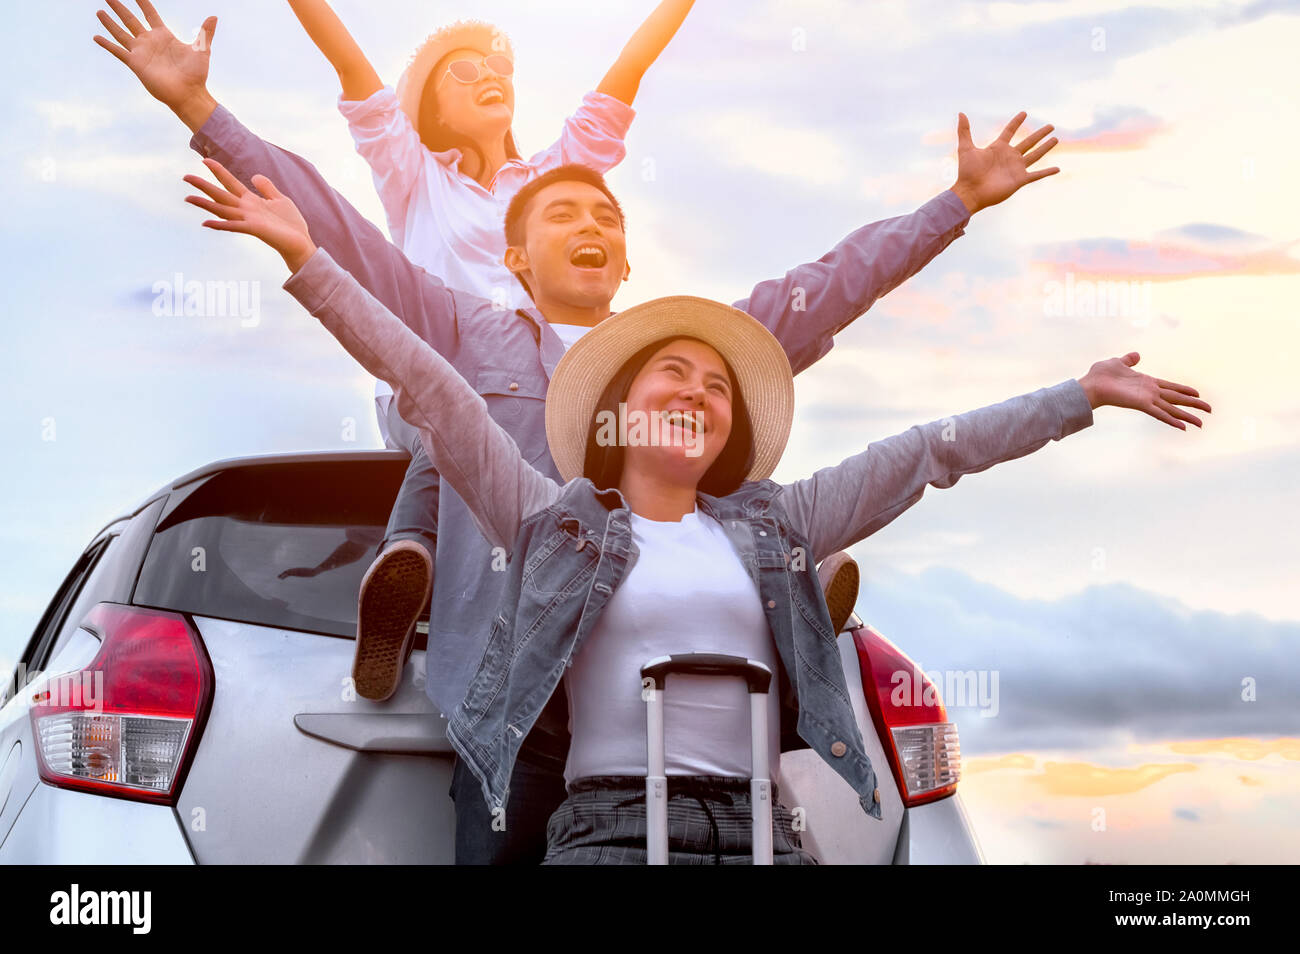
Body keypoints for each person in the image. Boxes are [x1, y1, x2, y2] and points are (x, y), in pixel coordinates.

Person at [94, 0, 1062, 862]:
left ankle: (803, 588)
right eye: (561, 209)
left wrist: (956, 205)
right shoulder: (463, 331)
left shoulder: (676, 368)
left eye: (602, 208)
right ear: (516, 256)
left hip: (678, 727)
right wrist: (202, 115)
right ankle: (411, 549)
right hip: (515, 705)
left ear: (625, 252)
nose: (588, 217)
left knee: (762, 503)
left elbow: (825, 285)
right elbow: (335, 230)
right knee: (439, 421)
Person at [181, 165, 1209, 863]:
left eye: (717, 386)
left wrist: (1078, 396)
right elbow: (432, 391)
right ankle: (411, 551)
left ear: (731, 426)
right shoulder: (549, 521)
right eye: (670, 373)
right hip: (607, 833)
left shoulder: (777, 523)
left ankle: (810, 605)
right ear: (619, 412)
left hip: (768, 834)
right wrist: (304, 261)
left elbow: (932, 451)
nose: (696, 392)